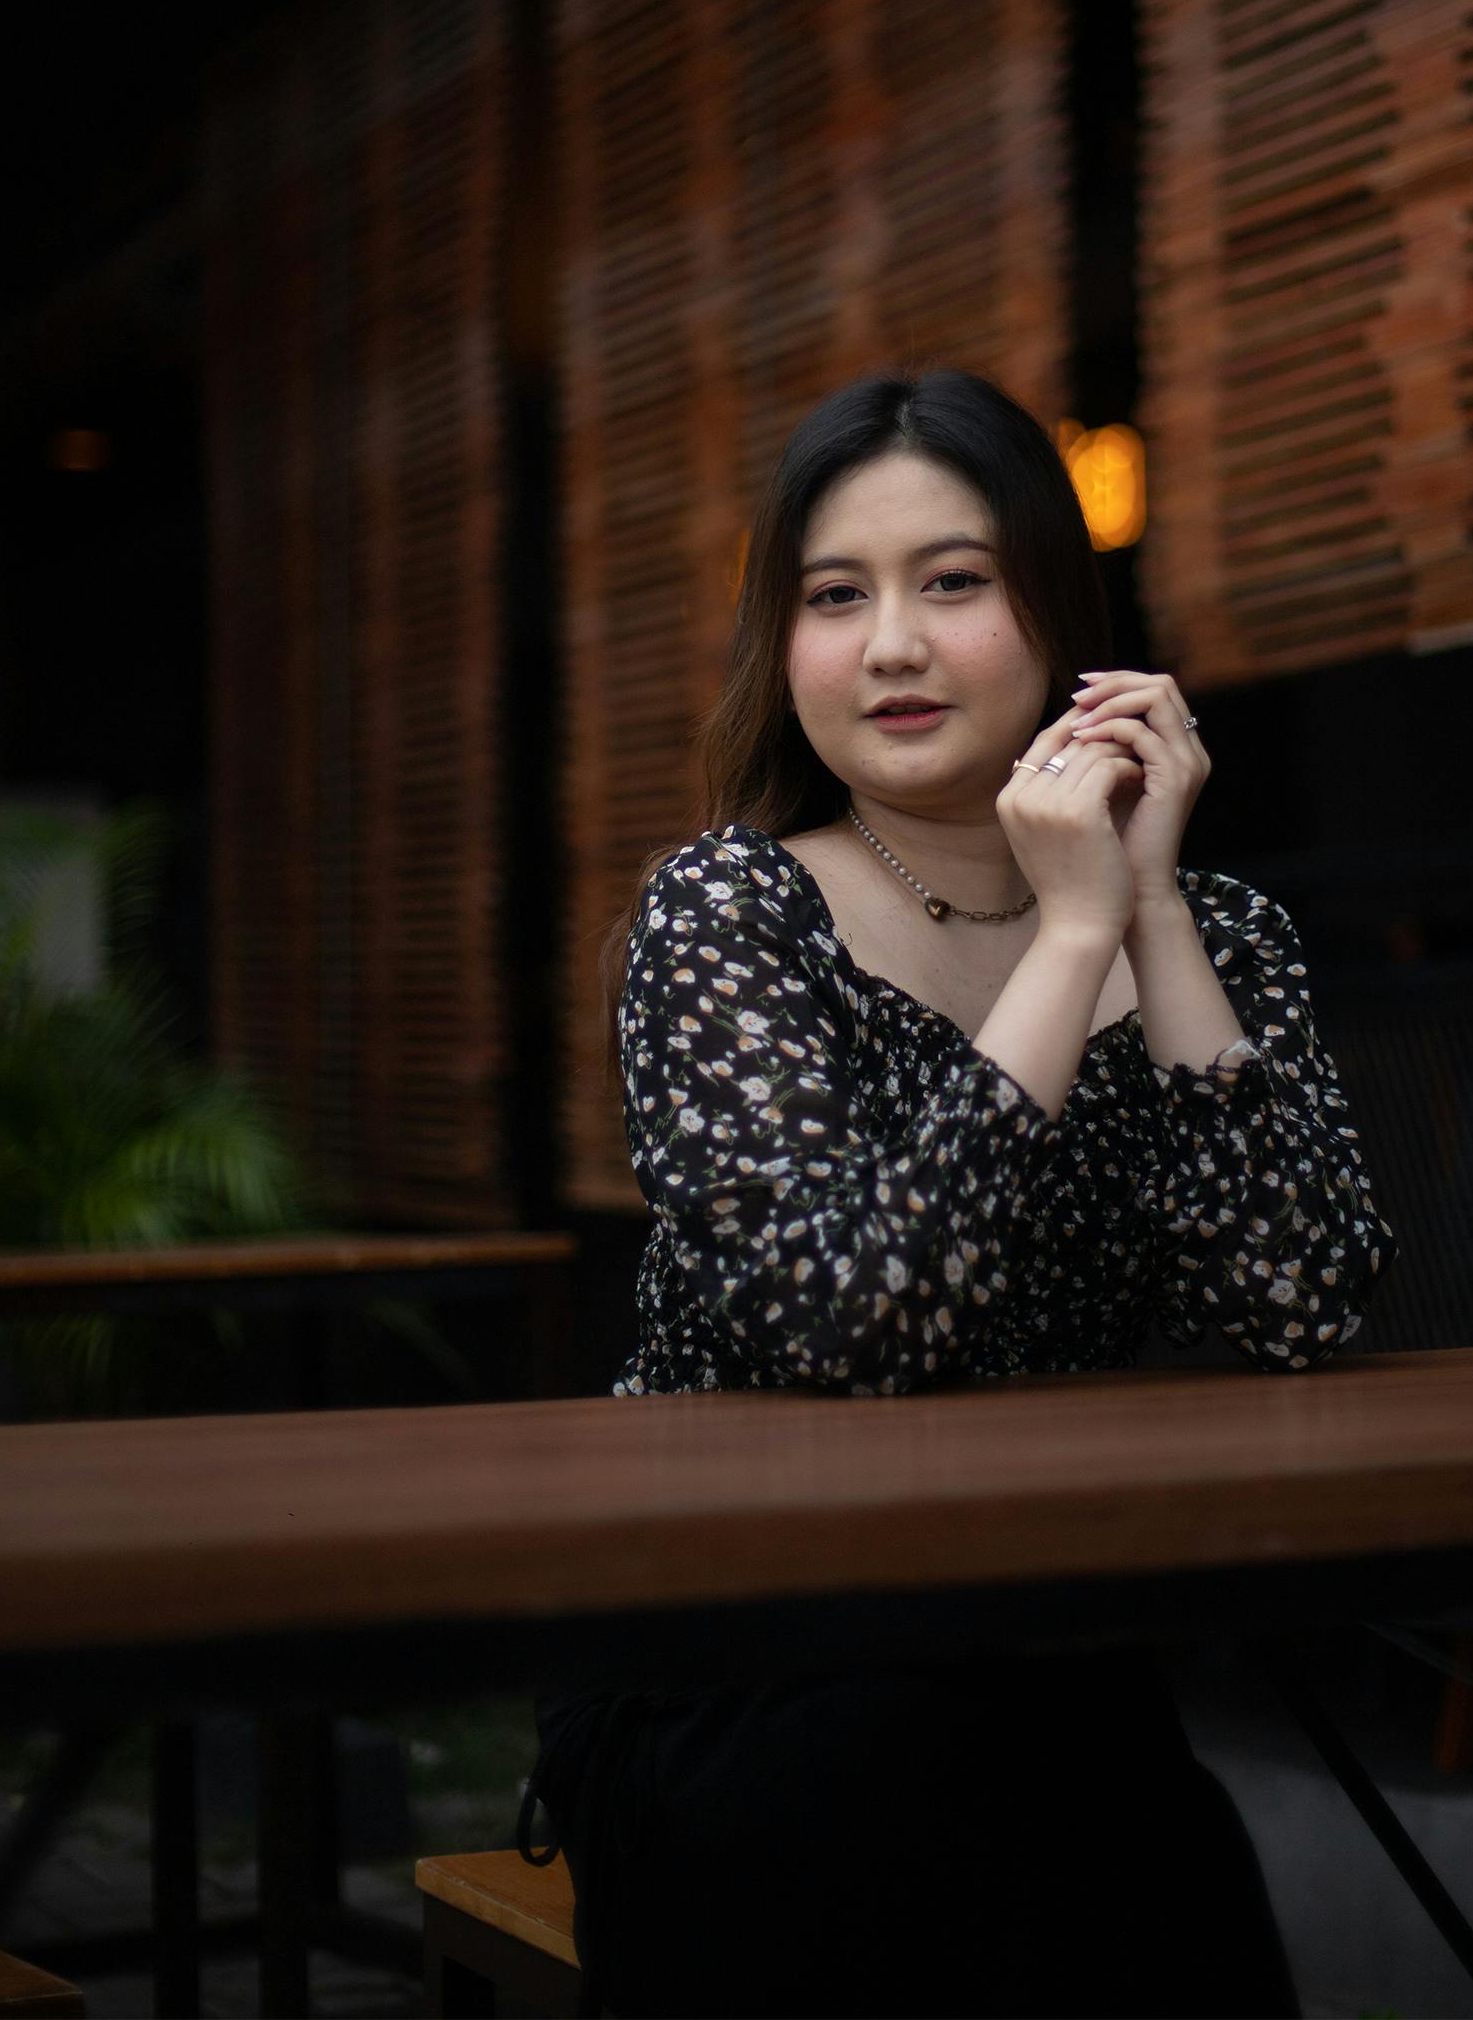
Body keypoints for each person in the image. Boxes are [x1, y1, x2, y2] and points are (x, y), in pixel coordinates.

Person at [517, 366, 1399, 2018]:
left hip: (1038, 1652)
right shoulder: (731, 917)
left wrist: (1143, 915)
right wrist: (1067, 946)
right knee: (949, 1839)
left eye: (954, 583)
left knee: (1141, 1869)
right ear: (782, 650)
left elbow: (1302, 1306)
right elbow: (855, 1324)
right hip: (740, 1661)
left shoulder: (1216, 933)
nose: (893, 647)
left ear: (1061, 616)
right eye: (834, 597)